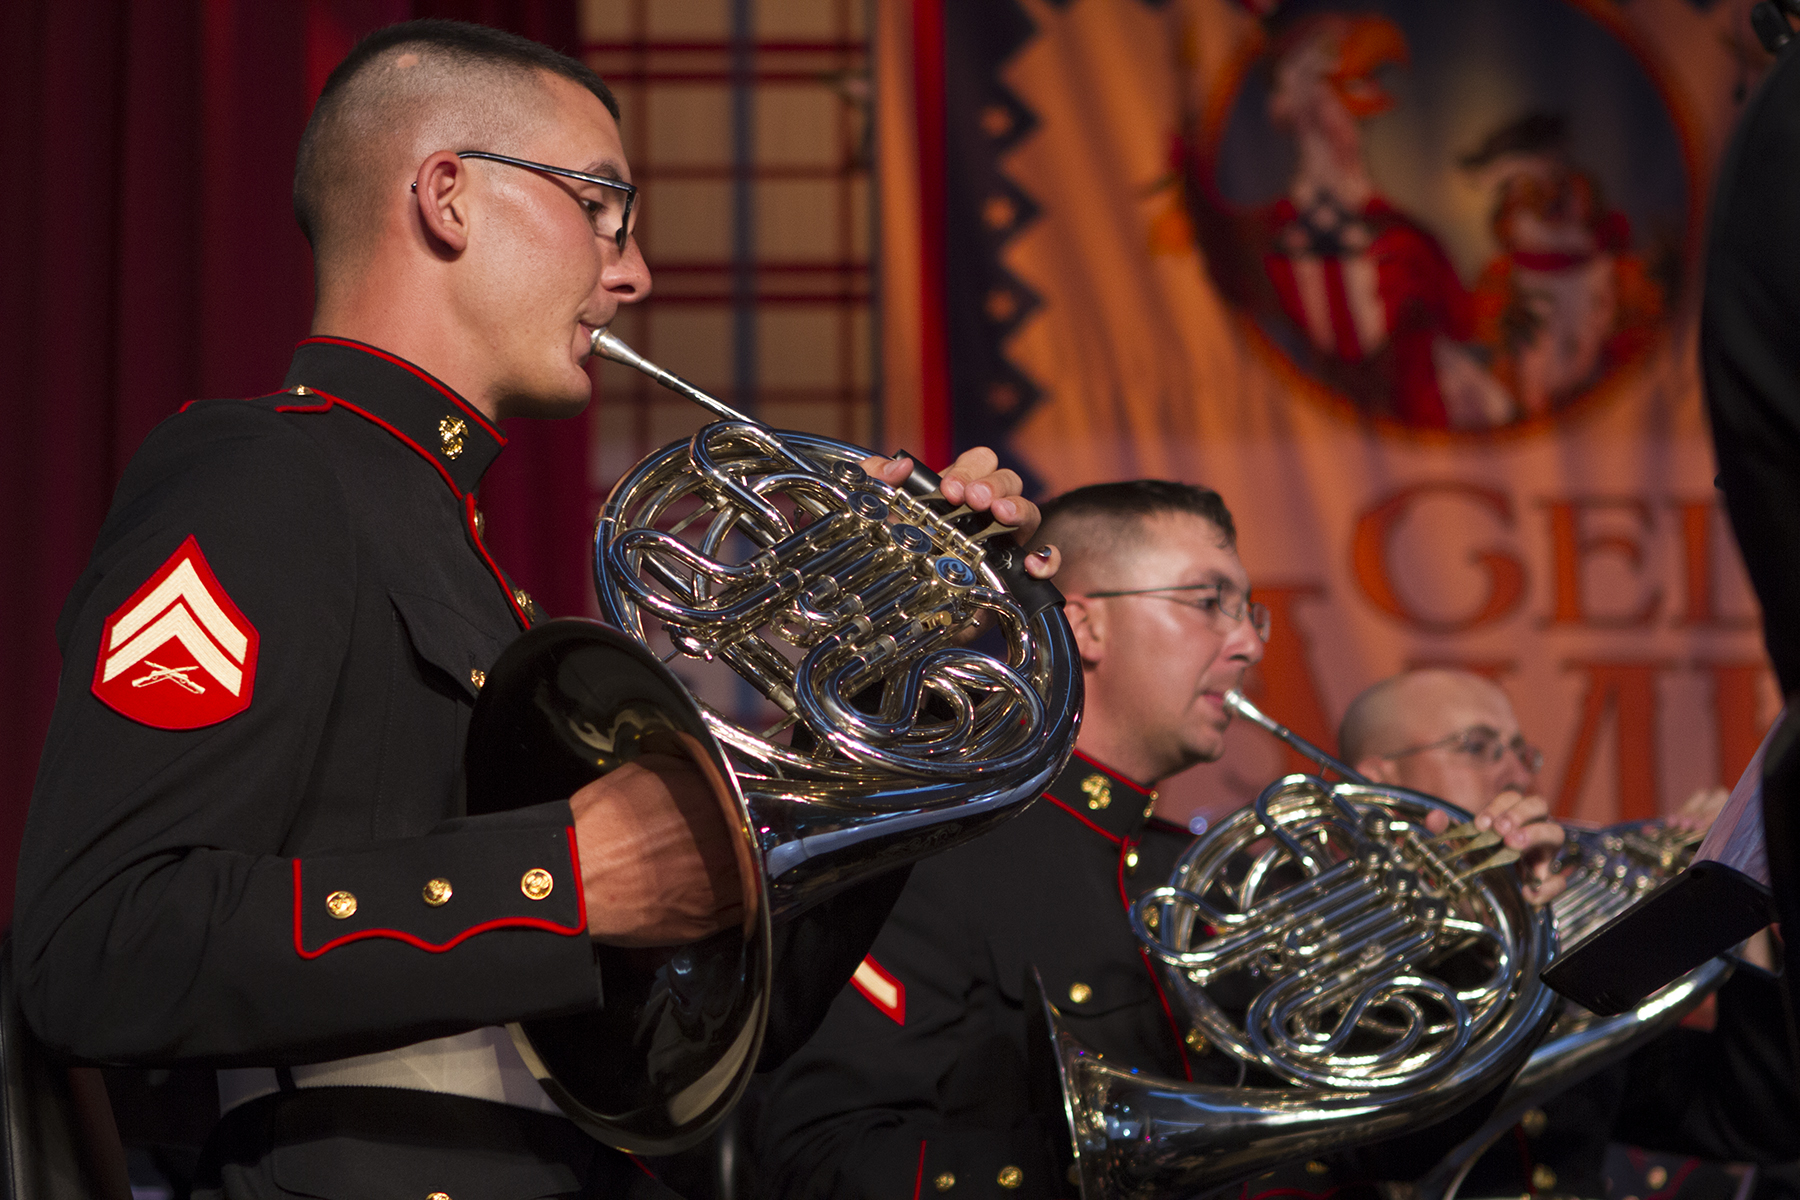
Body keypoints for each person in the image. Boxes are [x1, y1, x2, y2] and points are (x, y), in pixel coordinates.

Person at [13, 20, 1050, 1198]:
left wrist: (892, 690)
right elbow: (98, 943)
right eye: (602, 205)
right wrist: (562, 878)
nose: (633, 270)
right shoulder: (261, 475)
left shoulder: (462, 555)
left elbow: (706, 1030)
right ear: (448, 196)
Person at [753, 480, 1267, 1199]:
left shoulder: (1198, 874)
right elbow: (822, 1157)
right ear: (1086, 627)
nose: (1246, 644)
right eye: (1210, 603)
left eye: (1251, 614)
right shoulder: (941, 848)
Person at [1340, 668, 1800, 1199]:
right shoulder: (1307, 931)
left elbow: (1757, 1121)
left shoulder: (1565, 936)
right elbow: (1382, 1149)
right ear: (1377, 779)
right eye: (1478, 747)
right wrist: (1477, 946)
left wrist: (1737, 902)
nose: (1515, 775)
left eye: (1521, 752)